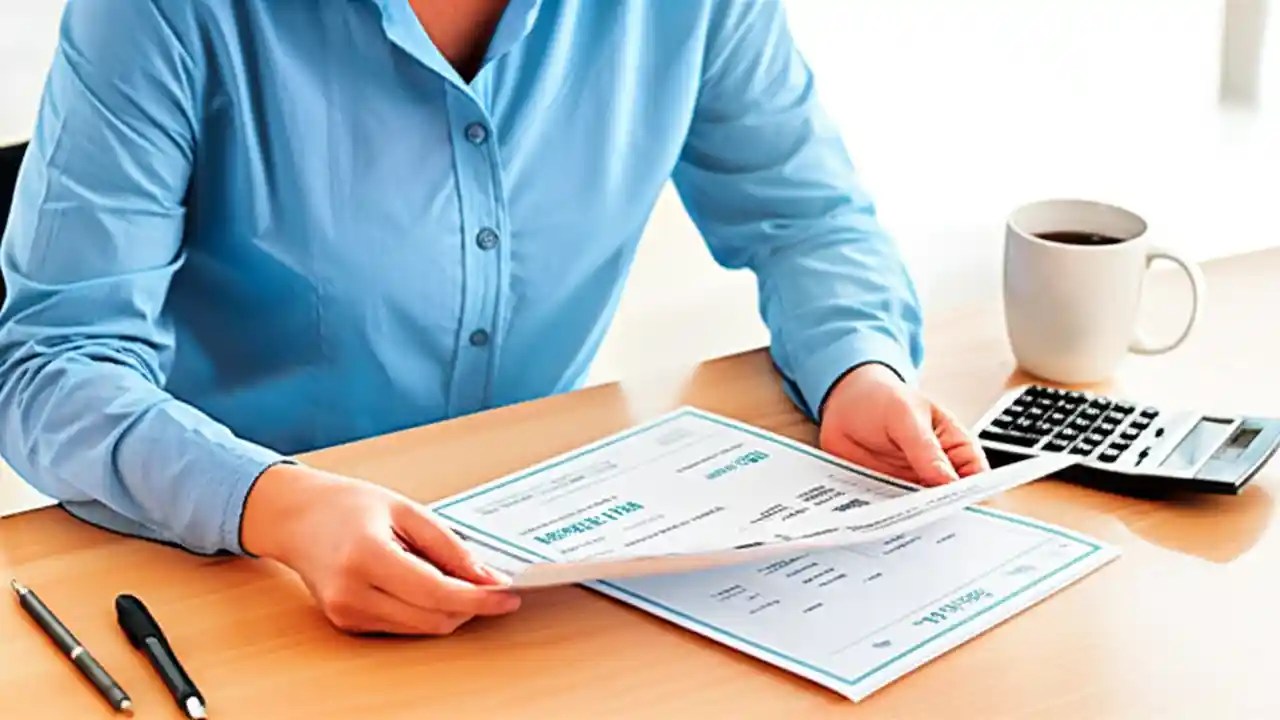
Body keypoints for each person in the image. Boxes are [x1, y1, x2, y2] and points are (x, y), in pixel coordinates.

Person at [0, 0, 987, 636]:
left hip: (537, 563)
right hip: (237, 578)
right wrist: (276, 505)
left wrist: (859, 368)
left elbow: (807, 221)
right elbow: (53, 363)